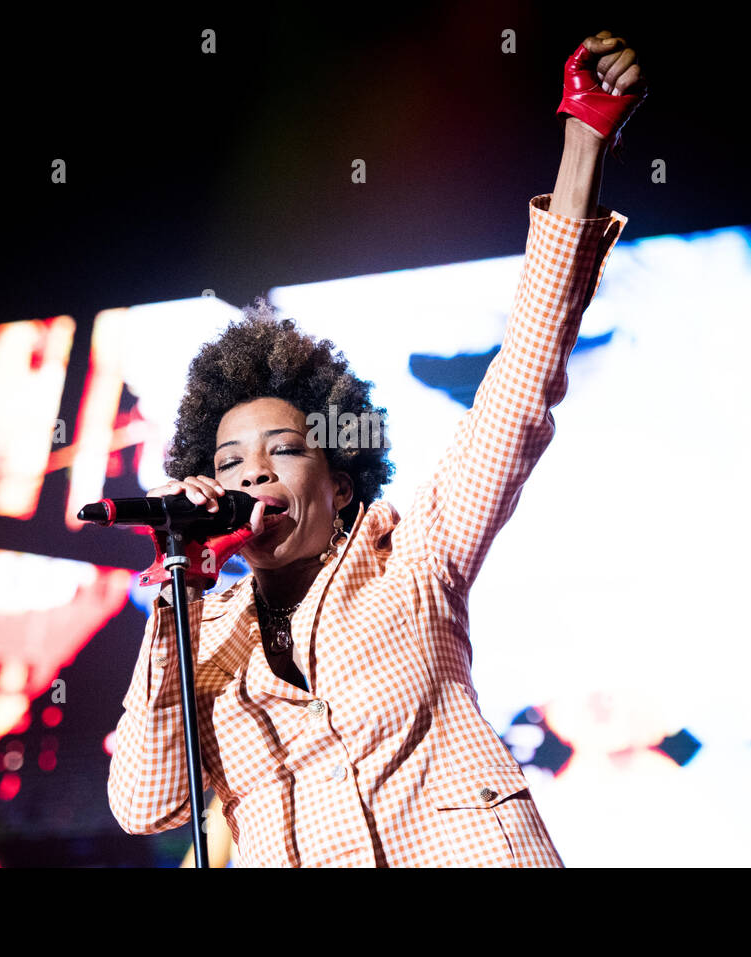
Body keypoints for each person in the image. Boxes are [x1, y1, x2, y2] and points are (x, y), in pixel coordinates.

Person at [108, 31, 646, 866]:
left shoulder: (415, 554)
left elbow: (521, 382)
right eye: (227, 461)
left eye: (281, 449)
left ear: (339, 479)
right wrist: (180, 590)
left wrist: (583, 140)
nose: (251, 470)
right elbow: (146, 804)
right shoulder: (201, 630)